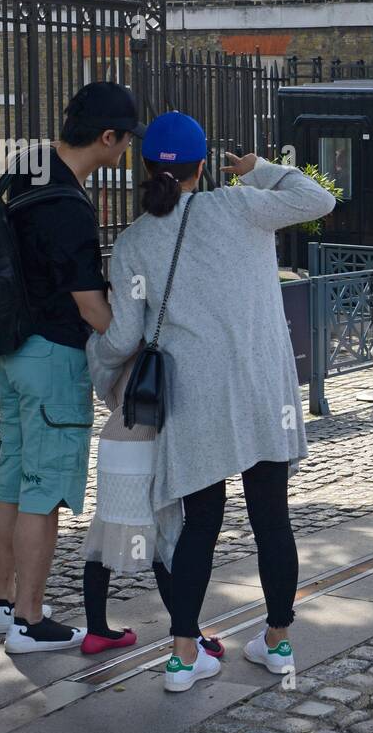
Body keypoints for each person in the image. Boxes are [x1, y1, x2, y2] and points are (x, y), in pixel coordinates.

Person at [89, 111, 335, 693]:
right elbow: (318, 199)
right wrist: (259, 169)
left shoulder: (134, 241)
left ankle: (182, 655)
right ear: (205, 164)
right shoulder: (244, 204)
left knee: (199, 522)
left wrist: (101, 373)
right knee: (272, 517)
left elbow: (122, 339)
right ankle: (277, 642)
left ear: (145, 167)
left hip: (193, 398)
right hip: (260, 390)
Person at [0, 81, 137, 653]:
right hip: (52, 355)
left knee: (12, 477)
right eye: (124, 141)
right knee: (44, 491)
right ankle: (30, 621)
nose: (125, 151)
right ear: (106, 137)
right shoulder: (71, 207)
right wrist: (137, 338)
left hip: (10, 351)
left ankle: (4, 606)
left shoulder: (27, 168)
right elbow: (91, 307)